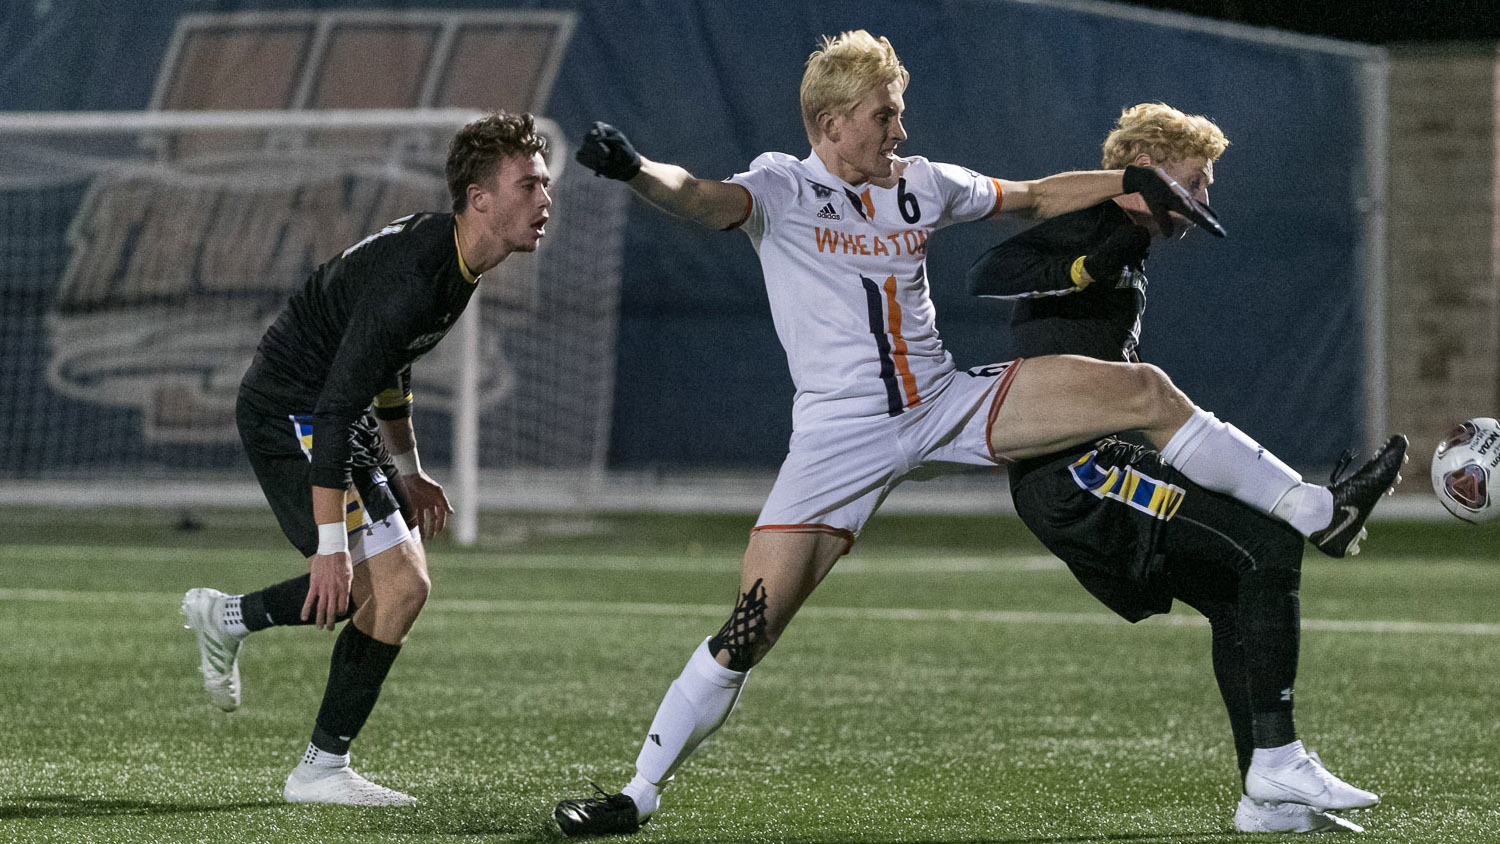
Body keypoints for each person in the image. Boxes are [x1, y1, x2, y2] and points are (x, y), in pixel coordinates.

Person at [554, 31, 1405, 836]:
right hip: (837, 442)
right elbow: (700, 197)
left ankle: (1309, 507)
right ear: (829, 123)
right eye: (885, 113)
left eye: (899, 110)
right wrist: (635, 170)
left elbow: (1032, 196)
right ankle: (636, 793)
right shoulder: (781, 188)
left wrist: (1133, 186)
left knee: (1142, 388)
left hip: (946, 404)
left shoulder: (920, 182)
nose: (901, 128)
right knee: (749, 629)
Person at [968, 102, 1379, 834]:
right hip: (1071, 474)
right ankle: (1279, 756)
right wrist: (1091, 259)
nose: (1207, 198)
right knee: (1267, 543)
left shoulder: (1127, 235)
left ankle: (1266, 798)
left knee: (1237, 588)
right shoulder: (1104, 224)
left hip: (1087, 462)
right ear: (1151, 172)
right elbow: (991, 270)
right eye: (1199, 180)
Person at [180, 110, 552, 806]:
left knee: (401, 589)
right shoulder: (416, 275)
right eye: (528, 184)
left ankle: (301, 738)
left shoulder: (459, 258)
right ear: (480, 200)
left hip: (332, 413)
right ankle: (297, 736)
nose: (544, 200)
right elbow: (335, 405)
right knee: (359, 583)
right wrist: (328, 545)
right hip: (290, 410)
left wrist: (409, 472)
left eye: (544, 183)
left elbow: (390, 364)